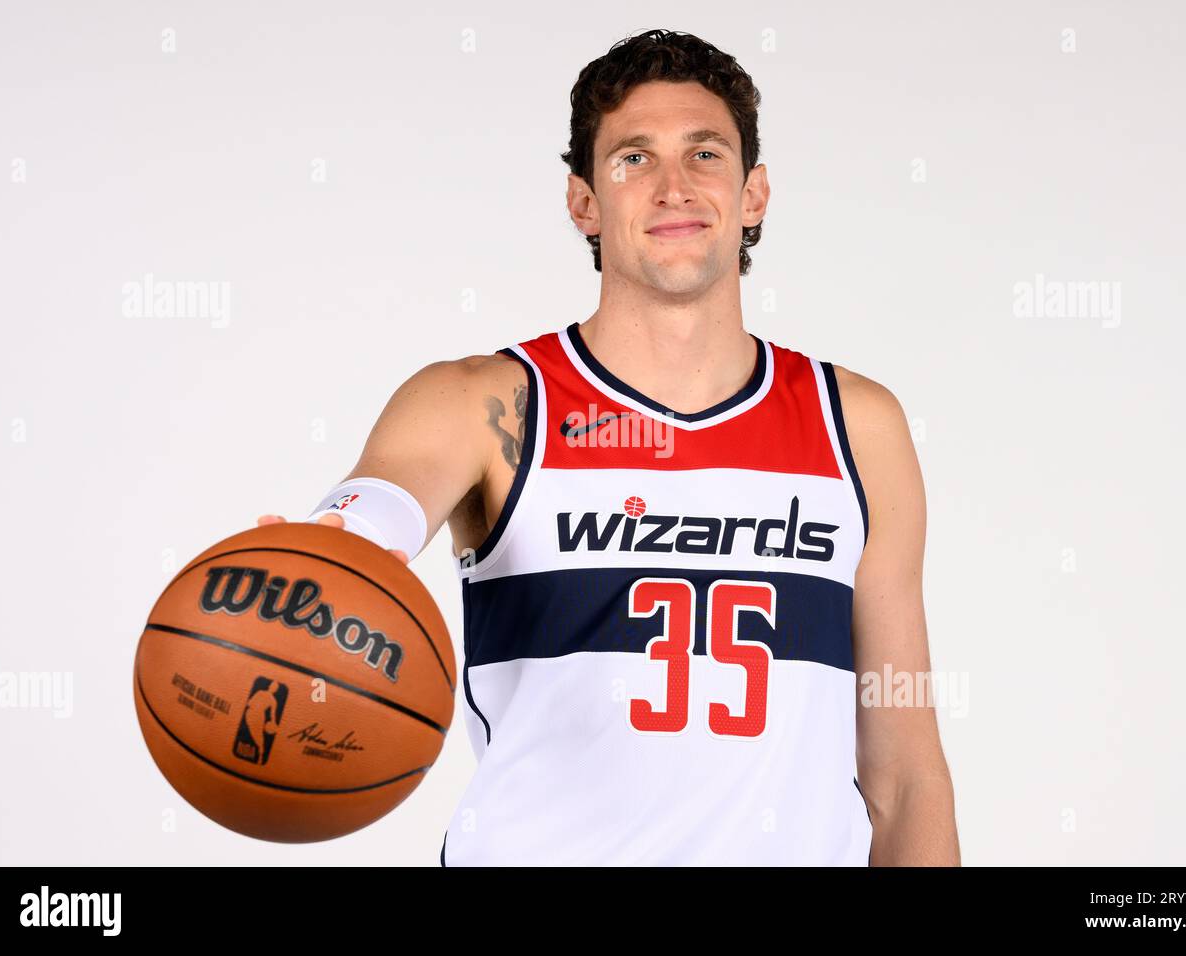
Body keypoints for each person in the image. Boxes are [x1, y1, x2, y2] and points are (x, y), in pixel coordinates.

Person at [261, 29, 959, 866]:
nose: (674, 187)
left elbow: (906, 778)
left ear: (754, 193)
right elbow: (378, 508)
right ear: (584, 201)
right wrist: (329, 549)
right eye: (633, 159)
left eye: (705, 153)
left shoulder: (858, 425)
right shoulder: (488, 402)